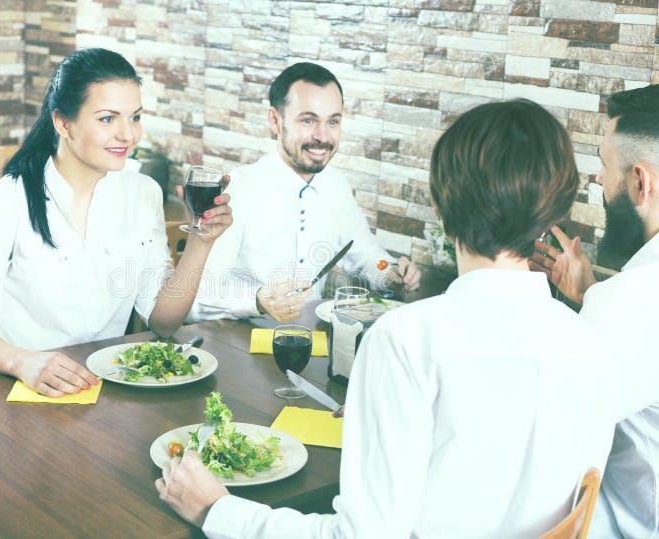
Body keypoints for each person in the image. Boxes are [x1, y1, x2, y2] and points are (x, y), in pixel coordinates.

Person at [156, 99, 659, 538]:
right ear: (555, 212)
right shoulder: (593, 341)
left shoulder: (405, 339)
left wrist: (218, 510)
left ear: (442, 209)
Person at [0, 48, 232, 397]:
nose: (127, 135)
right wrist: (23, 362)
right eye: (107, 119)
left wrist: (201, 241)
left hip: (105, 391)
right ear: (62, 122)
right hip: (18, 389)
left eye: (134, 117)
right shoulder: (7, 199)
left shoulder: (142, 193)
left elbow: (163, 320)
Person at [186, 62, 420, 323]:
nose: (322, 136)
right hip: (239, 344)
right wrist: (259, 300)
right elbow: (198, 298)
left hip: (311, 345)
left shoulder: (336, 186)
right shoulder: (238, 191)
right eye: (308, 120)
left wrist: (392, 273)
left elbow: (367, 258)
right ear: (275, 120)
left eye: (333, 121)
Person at [531, 84, 659, 539]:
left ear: (639, 182)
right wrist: (590, 294)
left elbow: (545, 427)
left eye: (605, 167)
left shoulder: (633, 300)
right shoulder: (630, 297)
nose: (599, 182)